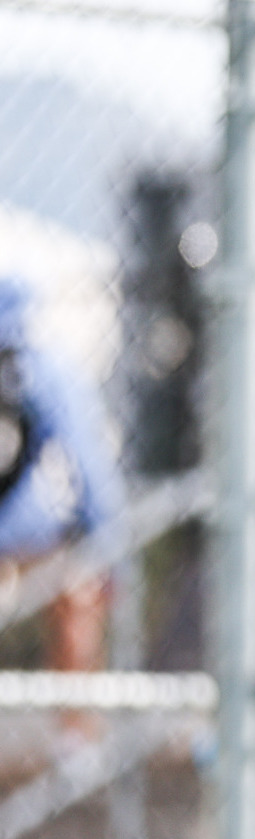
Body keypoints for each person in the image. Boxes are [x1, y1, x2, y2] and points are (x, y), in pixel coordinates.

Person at [0, 278, 124, 742]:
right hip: (33, 542)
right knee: (80, 592)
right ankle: (76, 743)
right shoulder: (45, 367)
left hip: (33, 547)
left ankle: (76, 743)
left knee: (77, 592)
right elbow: (88, 463)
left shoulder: (37, 369)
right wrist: (110, 549)